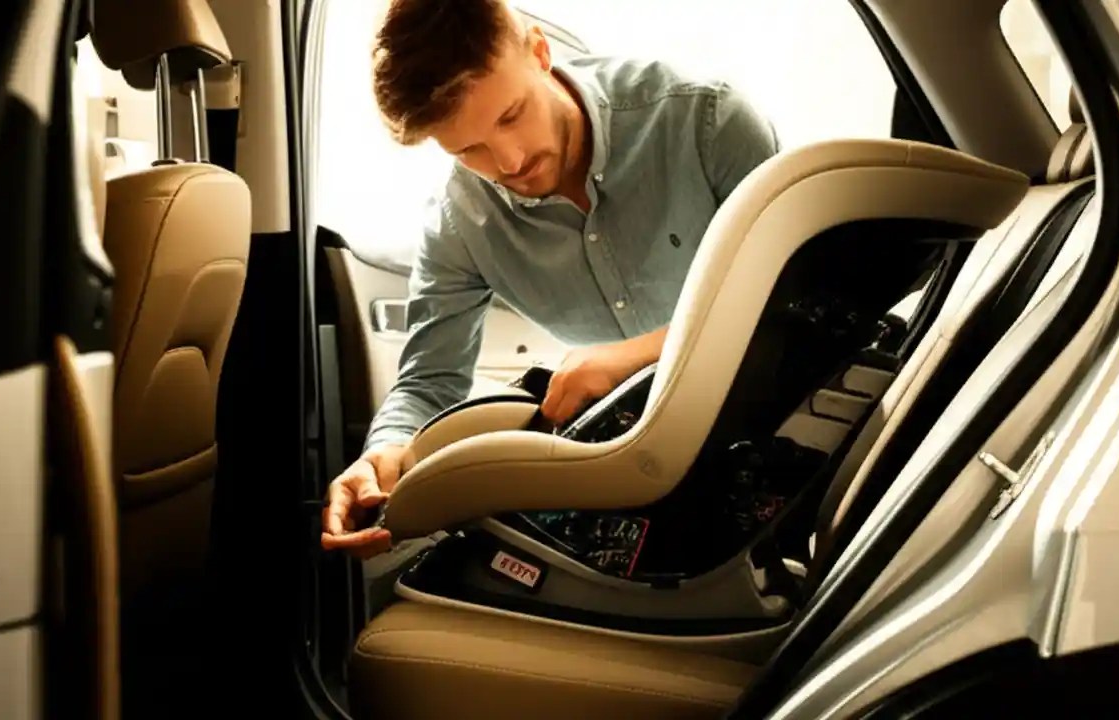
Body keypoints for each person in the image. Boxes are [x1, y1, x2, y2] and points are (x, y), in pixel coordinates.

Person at [322, 0, 779, 557]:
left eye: (511, 115)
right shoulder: (457, 224)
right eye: (469, 149)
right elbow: (428, 381)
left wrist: (634, 357)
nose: (509, 162)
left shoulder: (706, 120)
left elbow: (798, 301)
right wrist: (384, 454)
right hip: (635, 471)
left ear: (540, 52)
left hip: (784, 426)